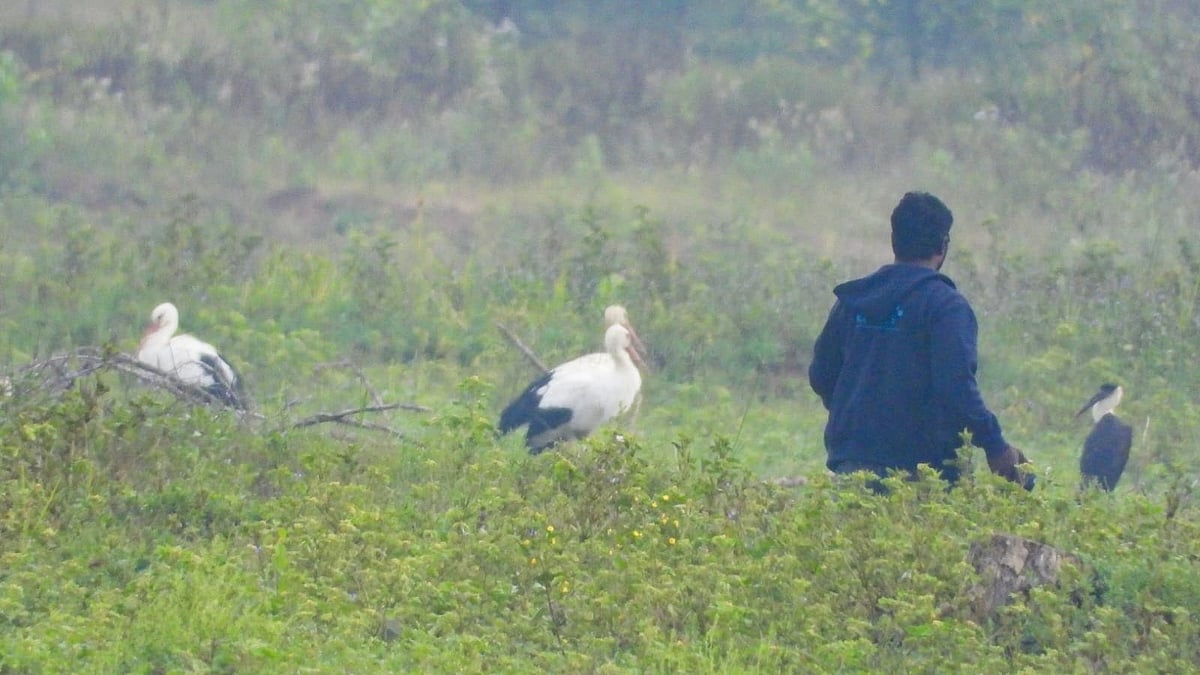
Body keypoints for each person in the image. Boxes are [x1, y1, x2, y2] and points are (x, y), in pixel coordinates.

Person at [808, 191, 1032, 488]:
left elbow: (821, 376)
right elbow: (956, 389)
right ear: (942, 246)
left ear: (894, 240)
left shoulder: (853, 302)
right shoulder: (945, 306)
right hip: (924, 476)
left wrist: (859, 417)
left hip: (853, 467)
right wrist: (996, 446)